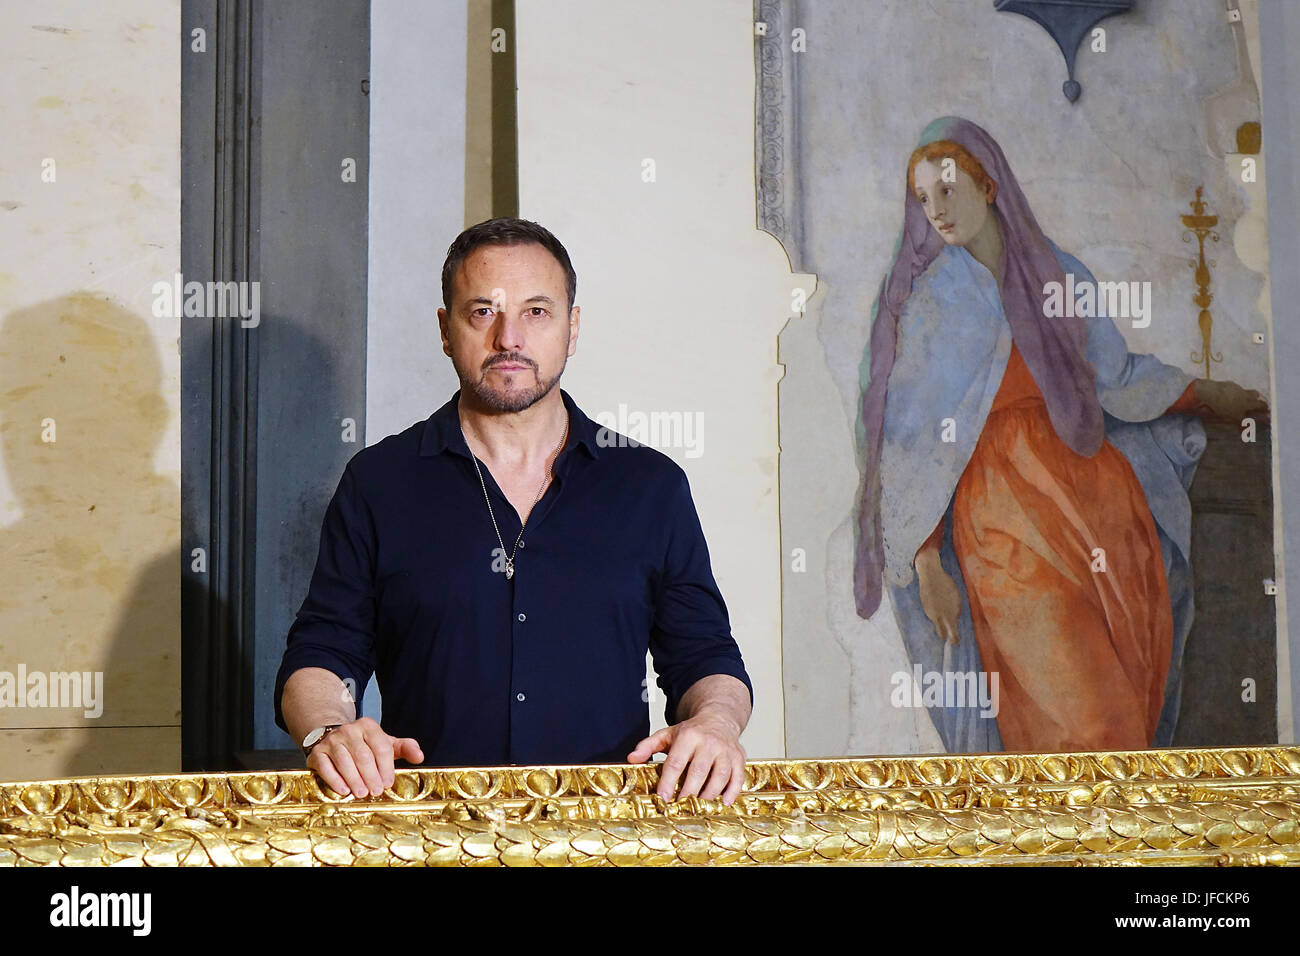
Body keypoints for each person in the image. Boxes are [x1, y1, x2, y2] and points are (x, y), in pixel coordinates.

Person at [275, 218, 753, 803]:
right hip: (426, 838)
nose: (509, 339)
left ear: (572, 328)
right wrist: (329, 729)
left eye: (536, 311)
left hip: (607, 838)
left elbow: (704, 654)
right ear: (446, 330)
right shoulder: (377, 483)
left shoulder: (651, 486)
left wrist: (717, 723)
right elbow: (324, 652)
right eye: (482, 311)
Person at [852, 117, 1267, 753]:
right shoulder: (930, 305)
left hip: (1097, 502)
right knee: (1084, 716)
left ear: (988, 186)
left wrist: (1208, 393)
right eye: (923, 199)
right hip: (1002, 518)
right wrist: (928, 558)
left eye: (947, 189)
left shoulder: (1058, 275)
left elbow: (1118, 378)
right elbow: (912, 447)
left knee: (1129, 703)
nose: (935, 210)